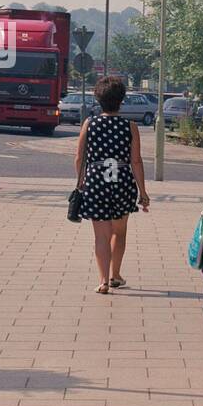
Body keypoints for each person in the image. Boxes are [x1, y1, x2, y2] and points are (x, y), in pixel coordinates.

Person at [75, 76, 149, 294]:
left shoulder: (90, 124)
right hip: (122, 182)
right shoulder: (131, 127)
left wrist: (81, 183)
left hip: (96, 181)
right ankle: (116, 274)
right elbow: (136, 160)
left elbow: (79, 157)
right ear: (121, 100)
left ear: (98, 99)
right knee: (119, 231)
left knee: (101, 236)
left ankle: (104, 280)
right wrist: (143, 191)